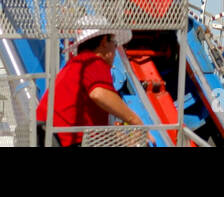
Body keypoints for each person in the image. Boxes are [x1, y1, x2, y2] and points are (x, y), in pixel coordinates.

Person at [36, 18, 143, 147]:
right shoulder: (93, 62)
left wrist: (125, 141)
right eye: (114, 43)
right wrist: (136, 121)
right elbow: (98, 94)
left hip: (51, 136)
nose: (115, 51)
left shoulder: (77, 64)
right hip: (68, 140)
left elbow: (100, 127)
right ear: (104, 42)